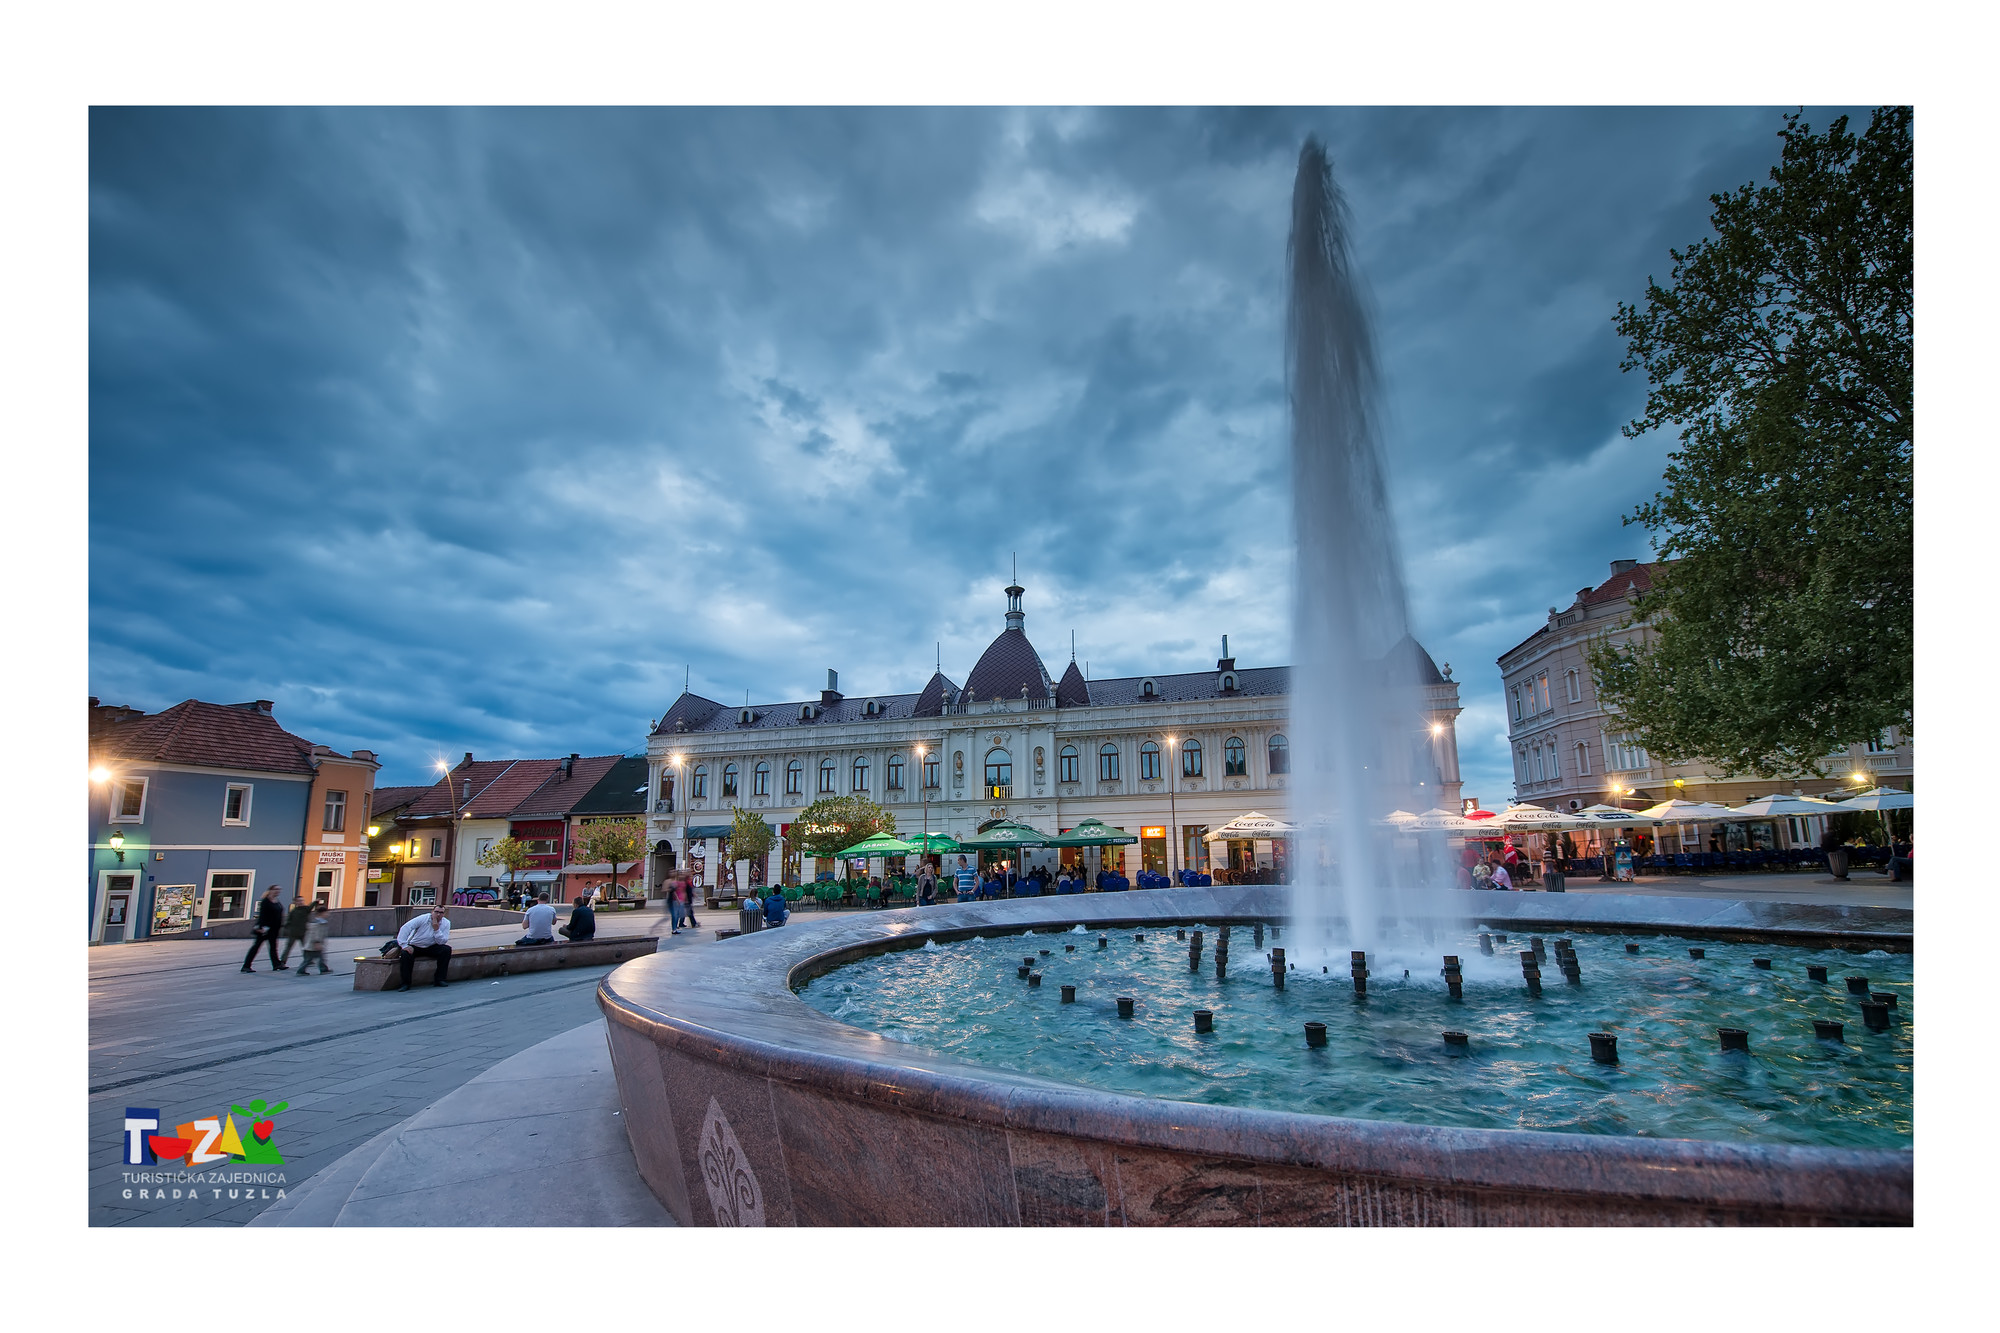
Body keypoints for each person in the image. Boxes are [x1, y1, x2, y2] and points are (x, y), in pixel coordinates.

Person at [394, 905, 452, 990]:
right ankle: (405, 984)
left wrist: (436, 929)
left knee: (446, 950)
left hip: (431, 946)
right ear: (432, 912)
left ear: (444, 914)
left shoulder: (446, 923)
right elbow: (406, 928)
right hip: (416, 946)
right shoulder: (423, 918)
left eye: (441, 913)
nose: (438, 915)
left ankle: (440, 979)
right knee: (405, 954)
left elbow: (442, 941)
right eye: (436, 912)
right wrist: (404, 945)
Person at [242, 886, 288, 972]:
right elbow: (262, 915)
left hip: (274, 929)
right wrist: (261, 927)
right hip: (264, 929)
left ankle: (276, 964)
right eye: (276, 889)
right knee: (256, 947)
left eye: (279, 890)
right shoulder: (265, 901)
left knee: (273, 947)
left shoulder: (277, 901)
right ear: (270, 891)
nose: (278, 891)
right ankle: (246, 966)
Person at [295, 903, 332, 976]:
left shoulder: (321, 922)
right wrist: (317, 942)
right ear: (322, 913)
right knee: (308, 960)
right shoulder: (316, 923)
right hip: (312, 946)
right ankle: (300, 971)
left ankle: (323, 969)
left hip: (315, 945)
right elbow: (314, 933)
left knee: (320, 958)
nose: (327, 914)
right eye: (326, 912)